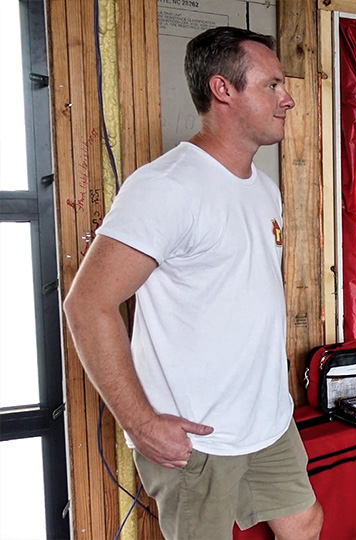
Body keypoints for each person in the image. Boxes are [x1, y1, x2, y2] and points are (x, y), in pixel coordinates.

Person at [63, 27, 322, 540]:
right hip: (195, 435)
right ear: (222, 89)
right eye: (271, 85)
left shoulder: (264, 188)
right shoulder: (167, 187)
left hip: (266, 421)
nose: (287, 99)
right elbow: (87, 304)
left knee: (304, 524)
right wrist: (140, 423)